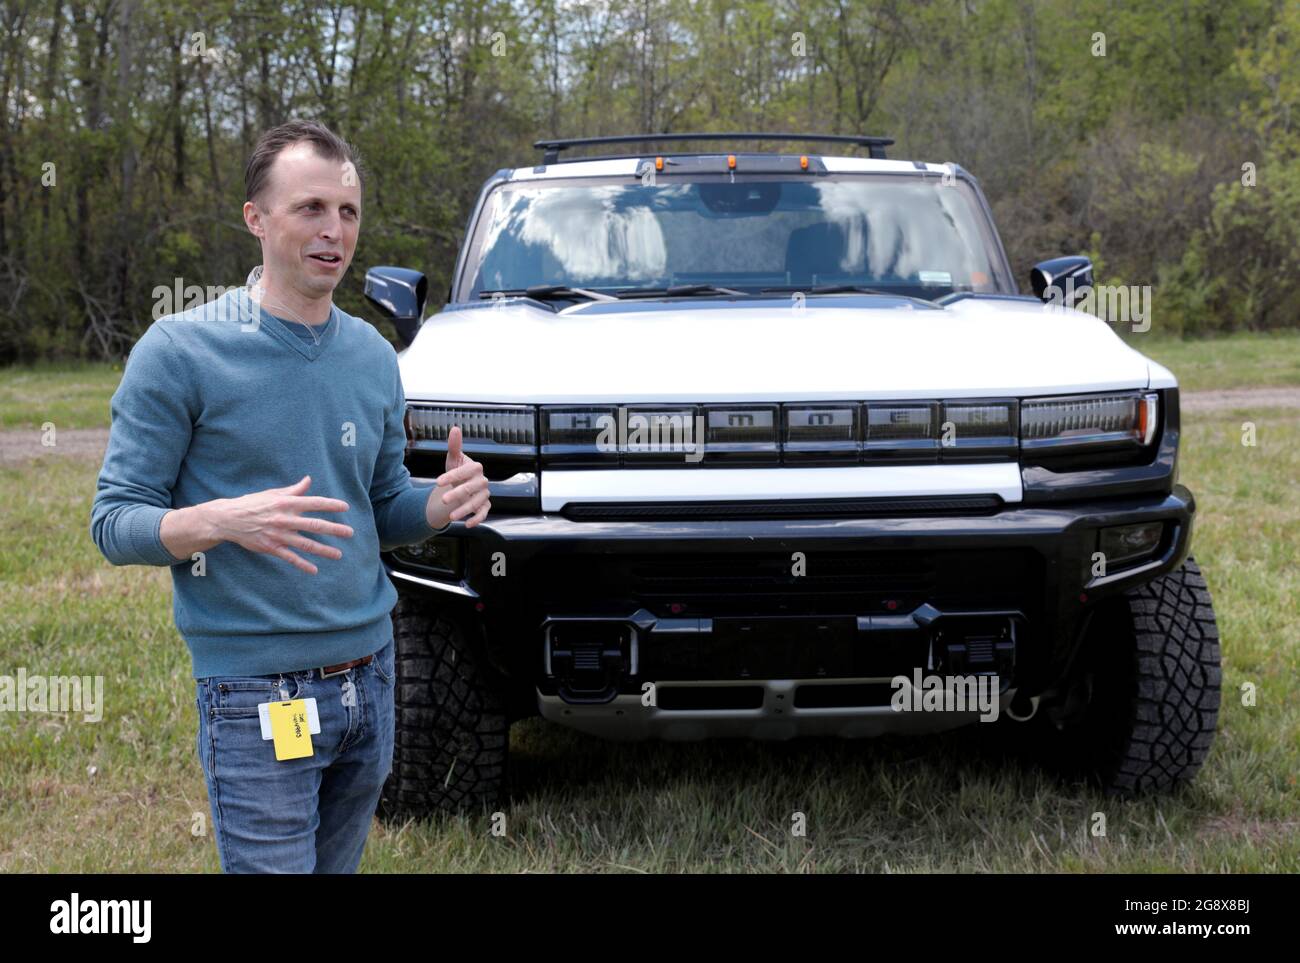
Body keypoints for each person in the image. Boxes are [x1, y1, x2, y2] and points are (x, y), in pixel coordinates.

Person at [90, 120, 490, 873]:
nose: (333, 230)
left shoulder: (374, 356)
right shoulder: (179, 352)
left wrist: (434, 505)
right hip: (254, 695)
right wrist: (219, 520)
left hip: (370, 681)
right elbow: (113, 522)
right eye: (310, 208)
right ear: (257, 219)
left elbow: (380, 510)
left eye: (347, 212)